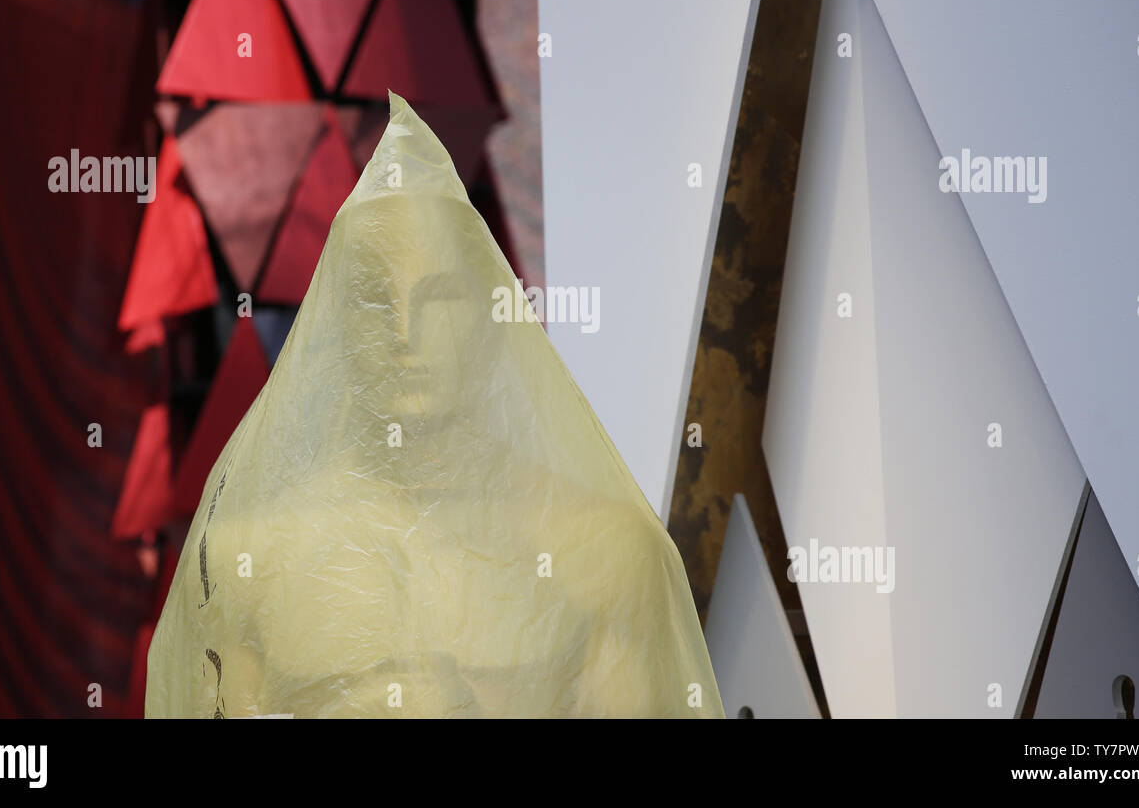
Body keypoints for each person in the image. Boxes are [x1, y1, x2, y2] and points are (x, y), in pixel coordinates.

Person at [146, 94, 722, 718]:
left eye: (438, 298)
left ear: (484, 314)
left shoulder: (602, 554)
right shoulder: (252, 557)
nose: (404, 331)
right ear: (339, 322)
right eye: (375, 298)